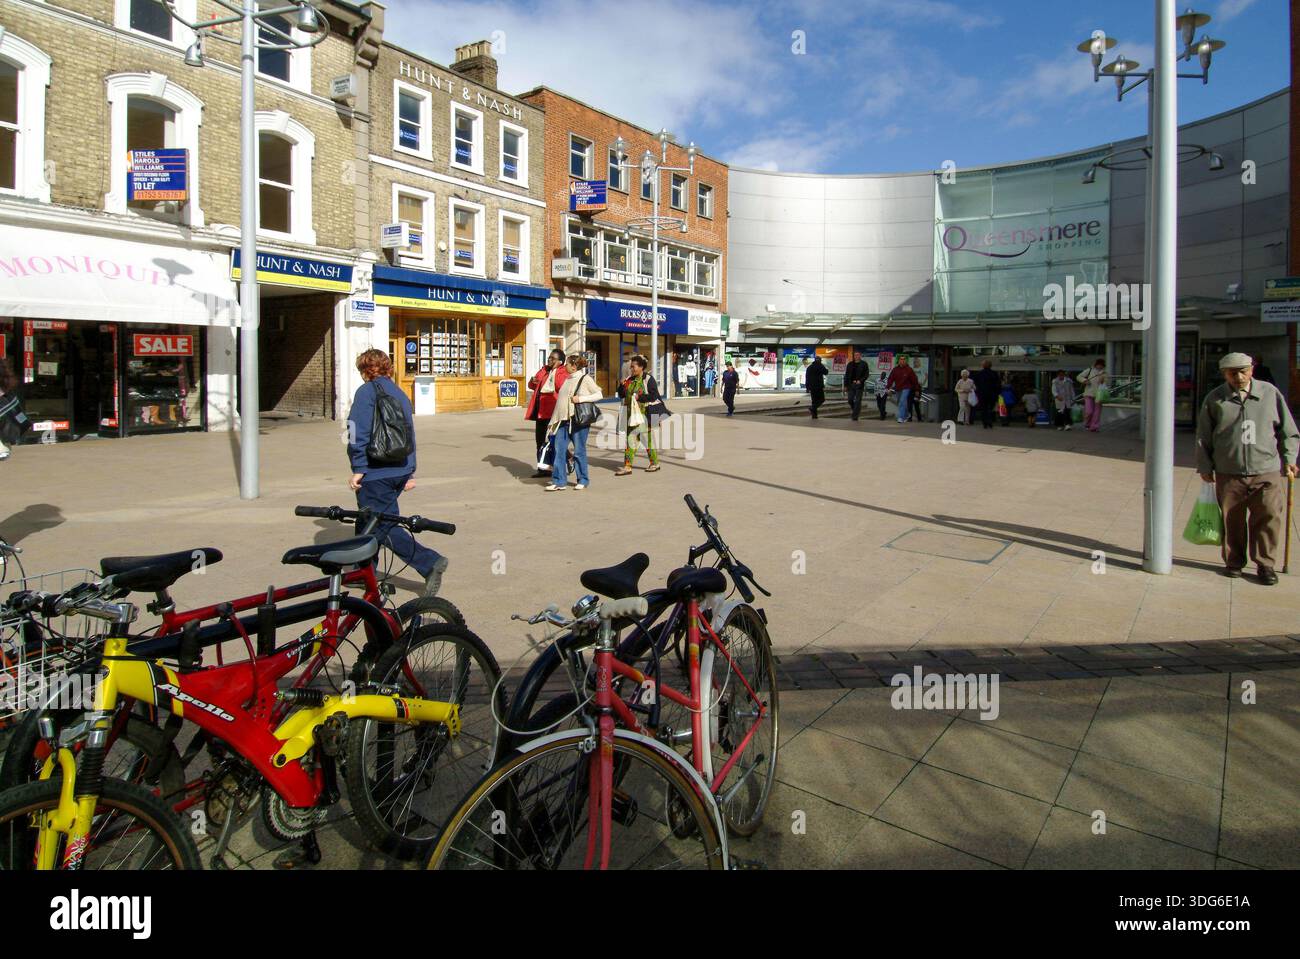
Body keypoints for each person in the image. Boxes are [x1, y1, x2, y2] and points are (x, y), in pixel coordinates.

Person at [346, 349, 447, 596]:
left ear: (364, 370)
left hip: (376, 471)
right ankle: (363, 571)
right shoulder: (399, 393)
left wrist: (359, 467)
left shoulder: (366, 392)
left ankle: (429, 562)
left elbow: (355, 431)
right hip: (399, 470)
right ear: (387, 368)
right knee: (367, 520)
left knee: (383, 525)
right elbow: (409, 434)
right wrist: (410, 471)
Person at [1196, 352, 1300, 585]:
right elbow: (1203, 436)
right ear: (1224, 374)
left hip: (1266, 470)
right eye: (1233, 373)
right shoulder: (1215, 399)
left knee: (1268, 518)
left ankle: (1265, 565)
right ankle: (1234, 562)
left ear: (1252, 369)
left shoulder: (1270, 393)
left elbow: (1288, 430)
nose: (1239, 377)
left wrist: (1289, 458)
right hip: (1229, 471)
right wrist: (1205, 465)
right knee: (1232, 520)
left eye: (1244, 371)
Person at [545, 354, 603, 491]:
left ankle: (583, 479)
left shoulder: (585, 379)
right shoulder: (567, 379)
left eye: (567, 364)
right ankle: (559, 481)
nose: (565, 366)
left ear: (573, 366)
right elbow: (561, 403)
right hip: (563, 421)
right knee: (559, 450)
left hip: (578, 421)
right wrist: (553, 421)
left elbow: (599, 394)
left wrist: (581, 399)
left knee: (579, 451)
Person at [616, 354, 670, 475]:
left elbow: (654, 396)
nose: (631, 369)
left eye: (633, 366)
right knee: (632, 439)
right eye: (631, 367)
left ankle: (652, 463)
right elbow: (622, 395)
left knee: (645, 440)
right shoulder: (630, 379)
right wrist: (621, 385)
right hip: (631, 416)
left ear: (641, 367)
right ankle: (630, 466)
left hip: (645, 414)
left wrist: (639, 397)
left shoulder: (648, 379)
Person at [524, 349, 568, 478]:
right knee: (539, 441)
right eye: (549, 358)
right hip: (540, 411)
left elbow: (560, 386)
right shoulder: (544, 370)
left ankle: (566, 459)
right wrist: (533, 381)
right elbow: (532, 385)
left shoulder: (562, 372)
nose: (549, 360)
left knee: (553, 441)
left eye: (553, 359)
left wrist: (554, 372)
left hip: (552, 411)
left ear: (560, 361)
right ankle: (543, 469)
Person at [885, 357, 919, 425]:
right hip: (898, 388)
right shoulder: (895, 369)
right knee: (900, 402)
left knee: (902, 402)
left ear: (905, 361)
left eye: (904, 360)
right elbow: (891, 378)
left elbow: (914, 380)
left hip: (906, 388)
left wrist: (917, 389)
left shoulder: (909, 369)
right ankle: (907, 414)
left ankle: (901, 417)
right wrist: (888, 387)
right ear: (899, 361)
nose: (902, 361)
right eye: (901, 359)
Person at [1077, 359, 1107, 432]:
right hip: (1088, 393)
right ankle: (1087, 423)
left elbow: (1105, 383)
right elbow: (1079, 377)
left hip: (1099, 394)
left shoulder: (1104, 373)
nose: (1100, 366)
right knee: (1089, 411)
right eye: (1098, 364)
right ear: (1096, 364)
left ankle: (1094, 427)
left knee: (1097, 412)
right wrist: (1085, 381)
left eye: (1101, 365)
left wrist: (1102, 378)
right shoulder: (1089, 370)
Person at [971, 359, 1000, 429]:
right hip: (992, 395)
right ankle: (990, 421)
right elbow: (998, 385)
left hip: (982, 394)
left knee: (984, 409)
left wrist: (977, 392)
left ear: (983, 366)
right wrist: (997, 394)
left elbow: (975, 384)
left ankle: (985, 422)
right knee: (990, 408)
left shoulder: (979, 374)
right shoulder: (994, 374)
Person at [844, 351, 870, 421]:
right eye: (855, 355)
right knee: (850, 400)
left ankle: (855, 416)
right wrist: (845, 385)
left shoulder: (864, 364)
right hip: (851, 385)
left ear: (860, 356)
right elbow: (846, 375)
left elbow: (866, 375)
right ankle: (855, 410)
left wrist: (860, 380)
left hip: (859, 385)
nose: (856, 356)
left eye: (858, 355)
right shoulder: (850, 364)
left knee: (858, 401)